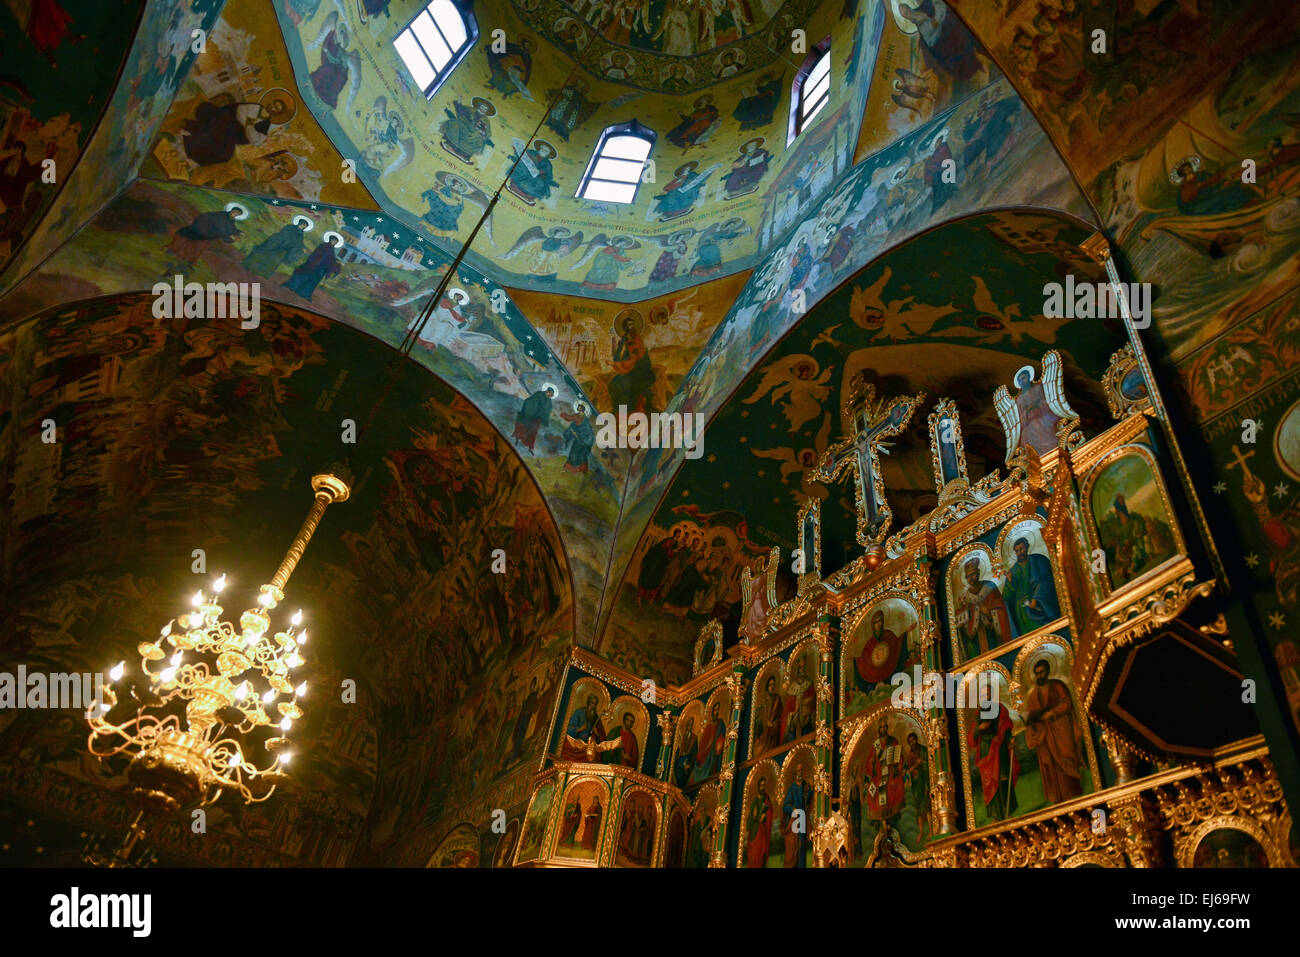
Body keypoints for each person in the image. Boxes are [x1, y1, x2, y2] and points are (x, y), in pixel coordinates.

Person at [1022, 660, 1082, 804]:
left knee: (1065, 760)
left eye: (1042, 672)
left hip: (1060, 729)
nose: (1039, 676)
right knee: (1050, 765)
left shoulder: (1057, 686)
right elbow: (1030, 714)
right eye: (1037, 673)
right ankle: (1056, 798)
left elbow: (1066, 703)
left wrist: (1052, 713)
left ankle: (1073, 794)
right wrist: (1030, 723)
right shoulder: (1034, 694)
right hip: (1044, 735)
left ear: (1048, 672)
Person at [969, 702, 1019, 821]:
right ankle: (996, 816)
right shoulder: (978, 715)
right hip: (985, 751)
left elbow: (1005, 726)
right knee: (990, 784)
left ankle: (1007, 813)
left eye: (987, 694)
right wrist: (979, 728)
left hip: (999, 748)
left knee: (1003, 779)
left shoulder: (999, 709)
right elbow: (972, 738)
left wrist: (1009, 738)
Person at [954, 557, 1011, 658]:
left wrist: (989, 610)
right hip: (975, 637)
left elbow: (1000, 606)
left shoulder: (990, 587)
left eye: (973, 574)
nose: (970, 578)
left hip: (991, 632)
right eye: (968, 576)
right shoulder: (966, 597)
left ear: (978, 573)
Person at [1001, 537, 1060, 635]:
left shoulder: (1038, 561)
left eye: (1022, 548)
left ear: (1027, 547)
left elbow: (1045, 580)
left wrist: (1036, 599)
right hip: (1021, 614)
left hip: (1037, 606)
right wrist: (1010, 583)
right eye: (1017, 551)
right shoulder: (1012, 571)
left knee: (1047, 632)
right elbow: (1006, 598)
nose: (1020, 552)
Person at [864, 718, 905, 826]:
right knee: (872, 788)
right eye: (881, 727)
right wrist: (872, 763)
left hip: (891, 771)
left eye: (884, 727)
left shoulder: (893, 741)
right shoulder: (876, 745)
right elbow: (870, 762)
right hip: (879, 774)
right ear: (879, 729)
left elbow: (898, 758)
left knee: (892, 784)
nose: (883, 729)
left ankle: (892, 814)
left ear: (887, 728)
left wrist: (896, 767)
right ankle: (878, 816)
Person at [560, 693, 604, 761]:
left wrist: (597, 734)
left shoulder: (596, 718)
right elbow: (568, 729)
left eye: (595, 704)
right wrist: (579, 729)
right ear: (588, 702)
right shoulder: (579, 713)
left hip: (587, 748)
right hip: (575, 745)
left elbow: (601, 737)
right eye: (592, 703)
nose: (594, 706)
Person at [513, 385, 555, 453]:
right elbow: (531, 401)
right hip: (530, 414)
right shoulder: (539, 394)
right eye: (550, 394)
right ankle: (517, 439)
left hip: (537, 419)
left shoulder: (549, 402)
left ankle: (530, 447)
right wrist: (532, 412)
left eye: (552, 395)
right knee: (522, 426)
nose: (551, 396)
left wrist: (546, 421)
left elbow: (547, 411)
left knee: (533, 432)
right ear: (547, 391)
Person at [782, 770, 811, 867]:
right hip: (794, 819)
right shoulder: (792, 788)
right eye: (798, 771)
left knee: (801, 845)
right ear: (795, 774)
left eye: (801, 771)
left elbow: (808, 801)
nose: (800, 773)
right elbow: (785, 806)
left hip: (802, 817)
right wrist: (792, 809)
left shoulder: (805, 787)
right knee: (793, 846)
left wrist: (811, 788)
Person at [745, 777, 773, 867]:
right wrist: (755, 819)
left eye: (764, 785)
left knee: (762, 854)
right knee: (754, 855)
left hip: (762, 830)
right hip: (754, 831)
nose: (763, 787)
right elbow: (749, 820)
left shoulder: (767, 799)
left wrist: (765, 815)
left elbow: (770, 809)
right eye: (761, 785)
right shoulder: (755, 801)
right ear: (758, 787)